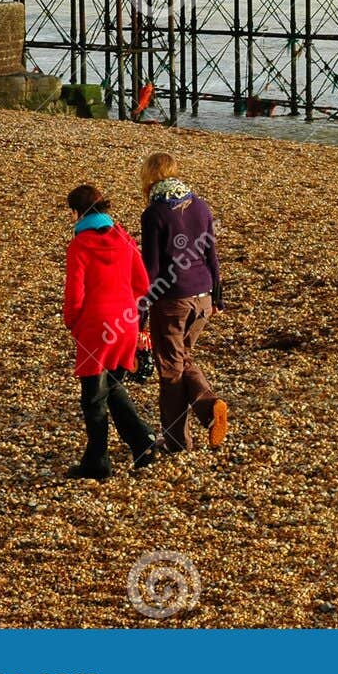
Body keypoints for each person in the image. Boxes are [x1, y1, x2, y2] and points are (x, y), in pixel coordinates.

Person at [62, 184, 156, 480]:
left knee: (93, 398)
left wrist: (73, 322)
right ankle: (143, 442)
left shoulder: (79, 245)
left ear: (78, 213)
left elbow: (75, 294)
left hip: (96, 325)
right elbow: (142, 283)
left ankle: (98, 461)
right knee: (112, 385)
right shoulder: (124, 239)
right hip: (125, 322)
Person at [139, 152, 230, 453]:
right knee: (182, 358)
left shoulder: (154, 214)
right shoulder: (200, 204)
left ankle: (180, 437)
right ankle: (209, 409)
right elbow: (211, 254)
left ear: (150, 176)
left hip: (172, 301)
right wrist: (217, 296)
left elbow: (150, 269)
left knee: (170, 368)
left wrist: (139, 314)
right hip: (202, 297)